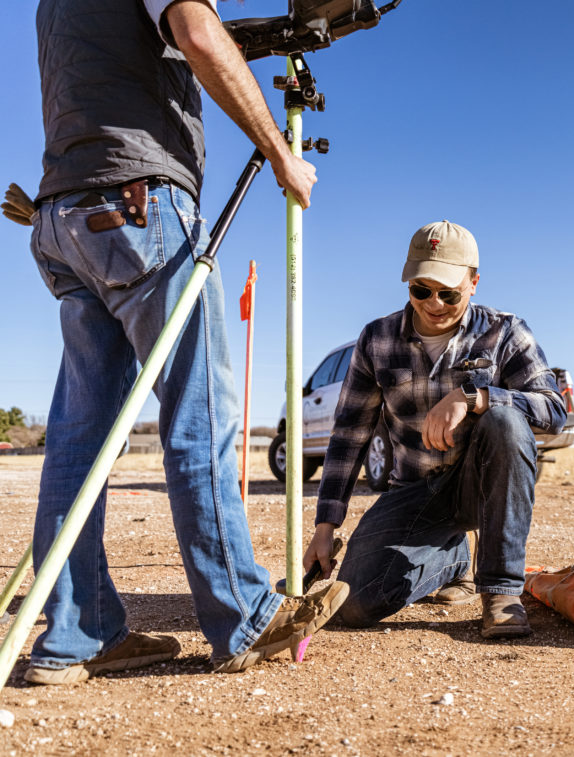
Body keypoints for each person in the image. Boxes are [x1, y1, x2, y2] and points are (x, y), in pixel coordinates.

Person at [25, 0, 347, 684]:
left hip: (65, 219)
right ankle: (243, 615)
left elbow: (142, 50)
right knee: (200, 417)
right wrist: (279, 150)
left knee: (80, 438)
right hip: (141, 208)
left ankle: (75, 636)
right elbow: (197, 34)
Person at [303, 220, 567, 638]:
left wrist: (473, 396)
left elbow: (553, 409)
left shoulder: (506, 332)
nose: (434, 303)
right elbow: (349, 436)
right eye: (421, 290)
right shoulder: (376, 338)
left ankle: (500, 590)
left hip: (479, 488)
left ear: (474, 282)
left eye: (449, 293)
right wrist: (325, 528)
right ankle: (453, 559)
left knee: (504, 420)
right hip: (412, 492)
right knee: (353, 603)